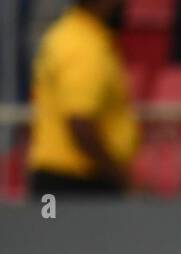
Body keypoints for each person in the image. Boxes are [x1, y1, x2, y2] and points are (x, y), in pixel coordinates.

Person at [27, 0, 138, 197]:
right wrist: (119, 175)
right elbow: (80, 123)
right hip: (78, 182)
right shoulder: (83, 45)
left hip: (59, 178)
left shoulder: (65, 33)